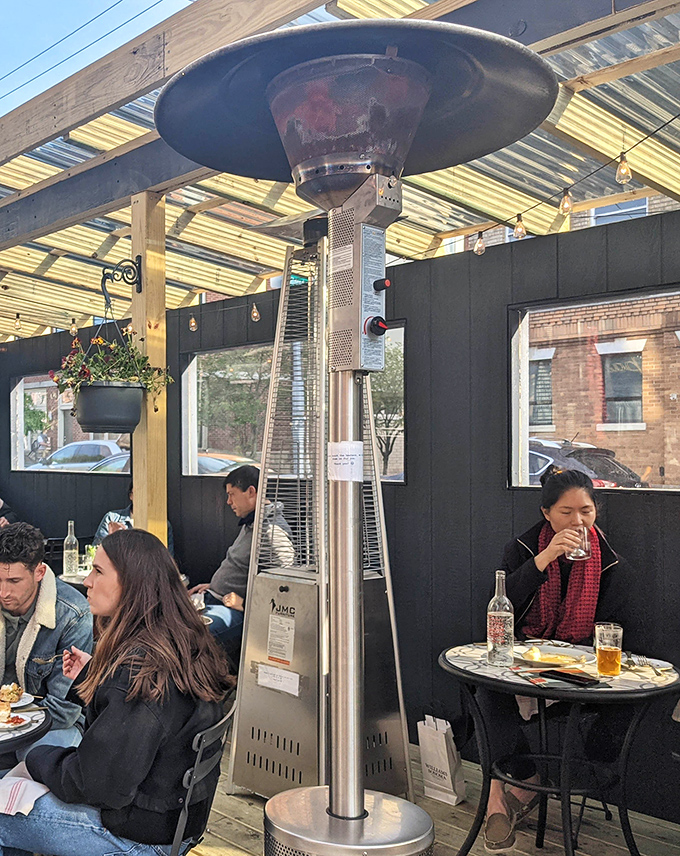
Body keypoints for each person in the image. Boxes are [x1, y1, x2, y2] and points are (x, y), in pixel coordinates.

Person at [0, 528, 234, 856]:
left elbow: (94, 783)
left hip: (138, 838)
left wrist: (35, 759)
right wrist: (95, 677)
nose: (87, 582)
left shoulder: (138, 670)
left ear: (133, 583)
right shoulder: (181, 642)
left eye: (97, 571)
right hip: (175, 820)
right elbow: (141, 727)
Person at [479, 467, 636, 852]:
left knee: (621, 708)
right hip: (527, 659)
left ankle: (513, 790)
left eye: (586, 510)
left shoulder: (611, 563)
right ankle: (517, 782)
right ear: (546, 512)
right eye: (566, 512)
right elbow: (503, 607)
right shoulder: (523, 549)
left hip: (579, 671)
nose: (578, 521)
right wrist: (545, 558)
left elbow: (615, 629)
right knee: (486, 692)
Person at [0, 523, 93, 762]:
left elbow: (65, 711)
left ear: (39, 572)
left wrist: (8, 720)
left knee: (35, 757)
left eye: (14, 581)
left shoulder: (73, 613)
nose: (3, 592)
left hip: (50, 727)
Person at [189, 465, 294, 653]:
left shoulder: (272, 533)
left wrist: (244, 604)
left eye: (232, 494)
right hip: (215, 596)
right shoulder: (252, 523)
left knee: (189, 638)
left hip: (236, 611)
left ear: (251, 492)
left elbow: (285, 591)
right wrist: (214, 586)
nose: (228, 501)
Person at [93, 481, 175, 556]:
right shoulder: (112, 518)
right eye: (139, 493)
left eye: (148, 494)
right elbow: (96, 551)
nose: (143, 497)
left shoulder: (162, 524)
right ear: (131, 496)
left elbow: (167, 558)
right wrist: (113, 537)